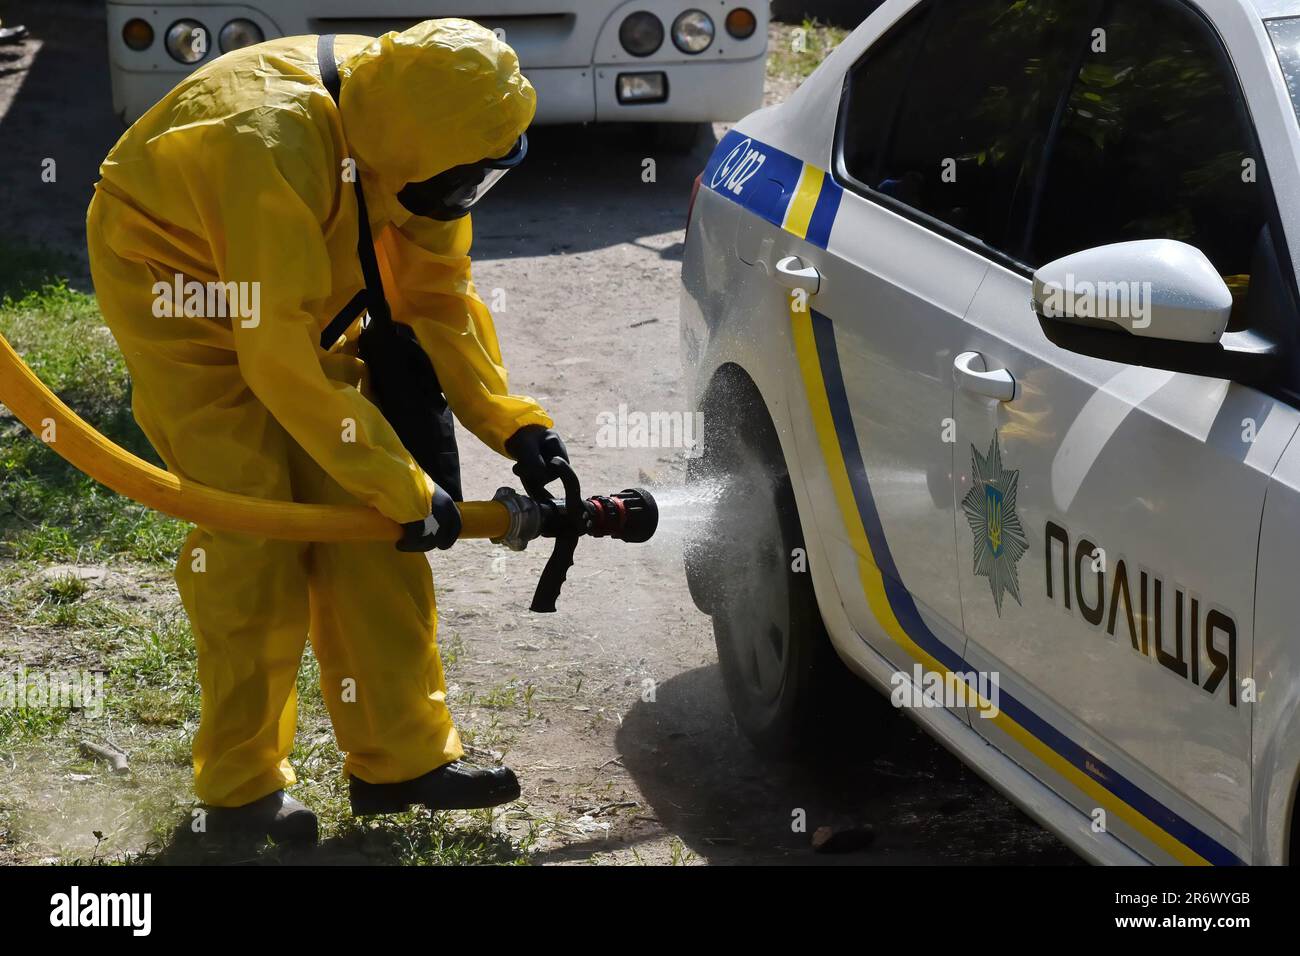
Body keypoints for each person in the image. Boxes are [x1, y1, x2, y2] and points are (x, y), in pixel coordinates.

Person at [86, 19, 569, 845]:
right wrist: (406, 482)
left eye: (479, 184)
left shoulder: (421, 121)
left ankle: (404, 760)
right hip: (182, 294)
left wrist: (511, 423)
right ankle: (238, 794)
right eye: (462, 184)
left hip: (291, 284)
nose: (464, 199)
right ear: (399, 153)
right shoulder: (267, 140)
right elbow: (273, 354)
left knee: (375, 524)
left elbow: (436, 297)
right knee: (254, 530)